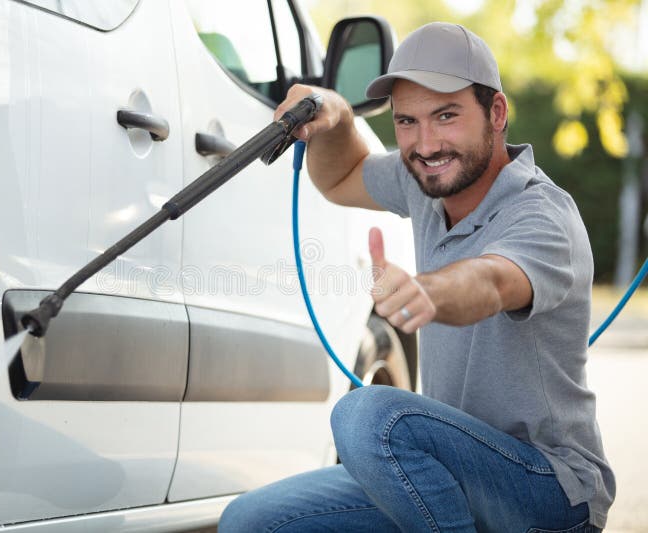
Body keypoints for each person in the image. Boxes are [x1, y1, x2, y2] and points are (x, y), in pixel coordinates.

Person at [218, 22, 614, 532]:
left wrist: (429, 291)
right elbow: (340, 176)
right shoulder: (423, 180)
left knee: (366, 417)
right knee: (251, 522)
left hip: (550, 490)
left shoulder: (542, 215)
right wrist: (336, 115)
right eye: (407, 122)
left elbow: (493, 281)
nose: (426, 143)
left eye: (446, 116)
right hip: (449, 472)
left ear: (496, 114)